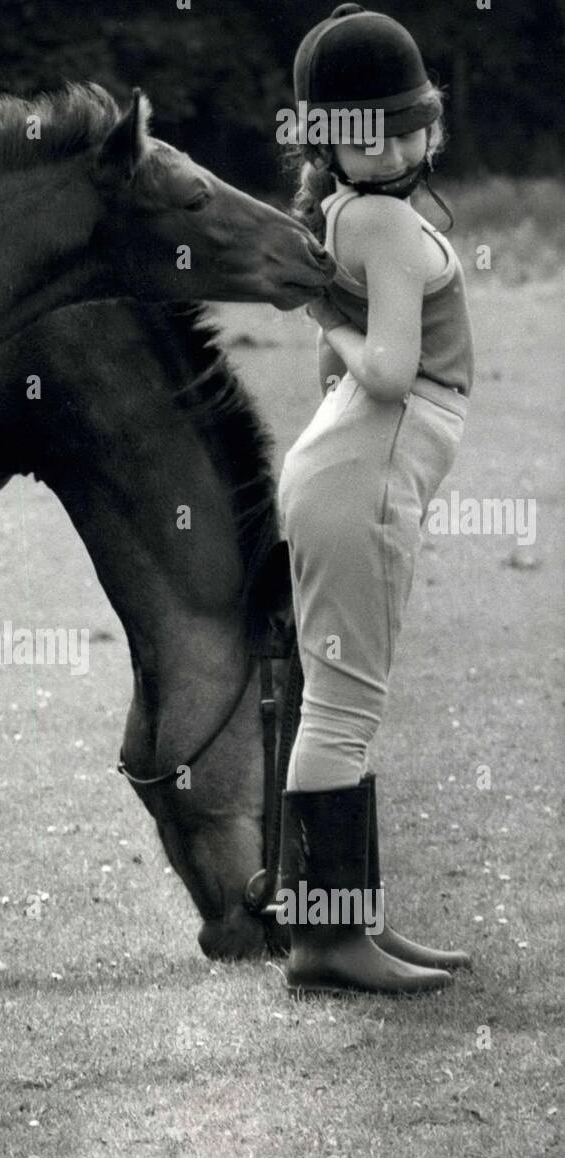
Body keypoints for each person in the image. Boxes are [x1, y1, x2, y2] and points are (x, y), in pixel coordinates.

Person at [275, 4, 474, 994]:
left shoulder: (344, 215)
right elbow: (390, 371)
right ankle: (327, 940)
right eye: (380, 129)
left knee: (346, 702)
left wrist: (329, 318)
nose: (405, 142)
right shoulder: (388, 220)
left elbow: (340, 368)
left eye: (411, 122)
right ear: (337, 141)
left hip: (349, 472)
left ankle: (353, 922)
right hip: (363, 472)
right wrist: (339, 325)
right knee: (343, 706)